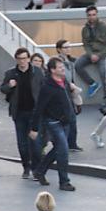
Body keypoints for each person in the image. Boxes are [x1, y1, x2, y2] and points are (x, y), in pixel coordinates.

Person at [28, 58, 76, 191]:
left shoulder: (64, 82)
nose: (62, 69)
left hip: (65, 121)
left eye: (62, 66)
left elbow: (67, 100)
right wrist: (34, 128)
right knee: (63, 150)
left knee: (58, 149)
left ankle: (40, 171)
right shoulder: (47, 87)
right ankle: (64, 181)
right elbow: (39, 108)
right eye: (59, 67)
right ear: (52, 70)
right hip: (54, 122)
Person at [2, 47, 44, 179]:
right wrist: (10, 85)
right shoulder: (11, 73)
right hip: (19, 112)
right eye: (20, 59)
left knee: (35, 142)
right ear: (16, 59)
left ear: (28, 58)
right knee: (22, 143)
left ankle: (37, 169)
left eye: (25, 58)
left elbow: (43, 89)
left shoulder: (36, 72)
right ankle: (26, 167)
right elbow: (3, 89)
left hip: (34, 112)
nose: (22, 61)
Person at [74, 5, 106, 103]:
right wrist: (91, 54)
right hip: (91, 54)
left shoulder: (104, 27)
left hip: (102, 54)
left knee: (104, 74)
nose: (92, 17)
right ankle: (92, 84)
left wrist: (98, 55)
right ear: (87, 16)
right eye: (89, 15)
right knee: (78, 65)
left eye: (94, 15)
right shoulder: (85, 29)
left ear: (97, 15)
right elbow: (85, 44)